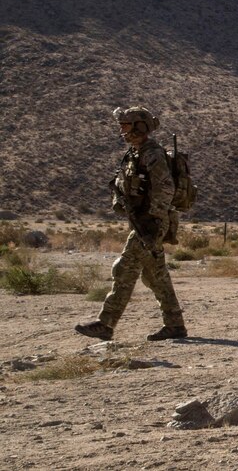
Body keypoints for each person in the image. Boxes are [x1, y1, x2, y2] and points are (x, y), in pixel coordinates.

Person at [76, 107, 187, 341]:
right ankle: (175, 324)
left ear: (140, 126)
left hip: (151, 224)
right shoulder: (134, 154)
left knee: (124, 269)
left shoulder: (153, 154)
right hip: (143, 222)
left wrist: (154, 221)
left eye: (126, 125)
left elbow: (165, 189)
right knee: (155, 276)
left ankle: (106, 324)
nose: (122, 130)